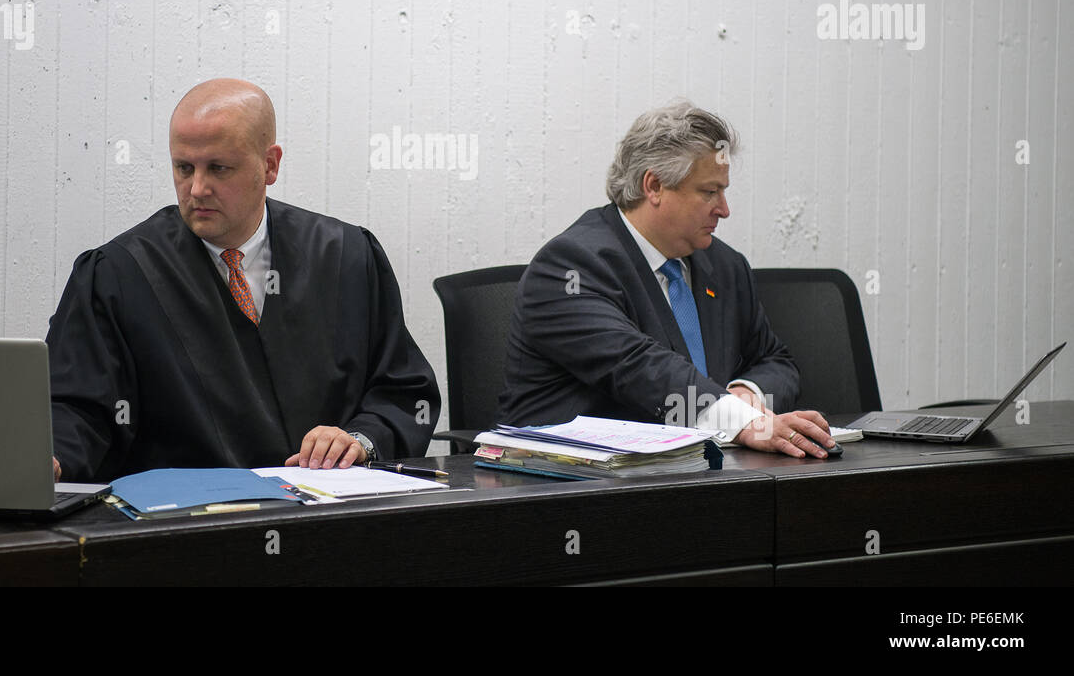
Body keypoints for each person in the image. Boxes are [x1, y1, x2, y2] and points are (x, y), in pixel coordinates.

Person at [48, 79, 440, 483]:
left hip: (328, 507)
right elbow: (79, 409)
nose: (197, 189)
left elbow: (402, 392)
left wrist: (360, 439)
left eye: (219, 168)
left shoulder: (345, 257)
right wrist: (55, 456)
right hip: (188, 511)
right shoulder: (120, 274)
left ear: (270, 165)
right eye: (184, 168)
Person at [498, 99, 835, 458]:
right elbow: (638, 366)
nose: (724, 209)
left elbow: (775, 360)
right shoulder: (570, 267)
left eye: (724, 191)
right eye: (709, 192)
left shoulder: (725, 266)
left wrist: (746, 394)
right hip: (572, 479)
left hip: (702, 471)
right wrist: (741, 420)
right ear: (655, 186)